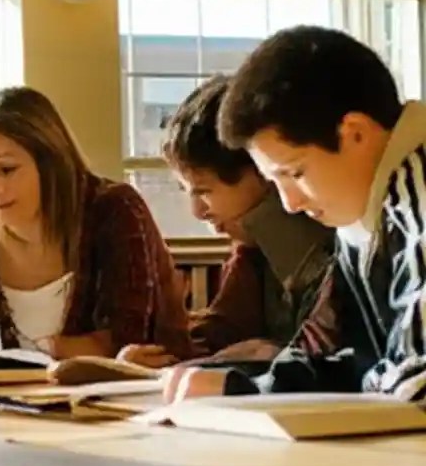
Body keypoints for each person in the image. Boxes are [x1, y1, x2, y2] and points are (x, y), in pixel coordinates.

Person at [164, 25, 426, 403]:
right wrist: (248, 389)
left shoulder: (415, 199)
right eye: (275, 180)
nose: (289, 203)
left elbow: (418, 381)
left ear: (354, 132)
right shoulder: (362, 212)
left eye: (295, 173)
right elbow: (359, 362)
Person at [0, 86, 192, 371]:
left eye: (7, 170)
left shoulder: (113, 210)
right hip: (7, 413)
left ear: (50, 162)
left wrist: (21, 345)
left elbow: (128, 344)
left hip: (133, 409)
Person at [117, 75, 336, 369]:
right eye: (187, 191)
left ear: (260, 171)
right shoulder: (251, 253)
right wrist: (150, 359)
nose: (197, 211)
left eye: (204, 191)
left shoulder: (330, 248)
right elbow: (219, 338)